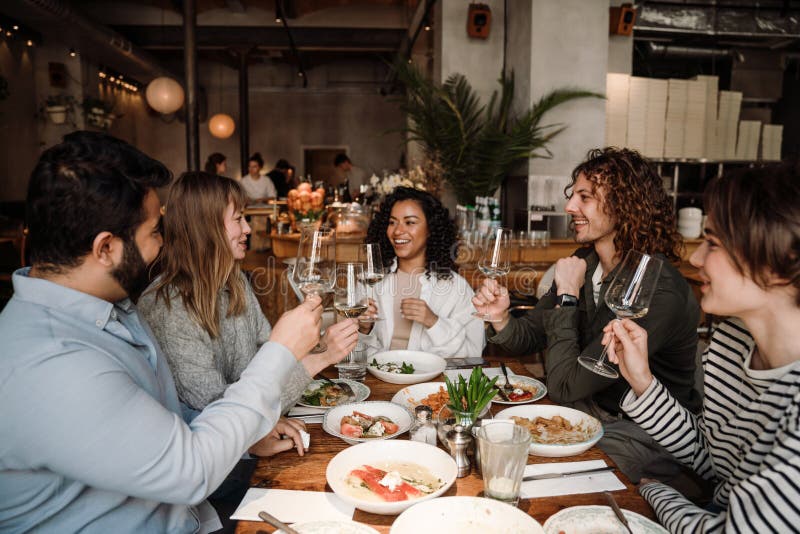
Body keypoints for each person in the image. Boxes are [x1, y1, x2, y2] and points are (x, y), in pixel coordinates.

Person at [0, 131, 323, 532]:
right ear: (106, 249)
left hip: (194, 516)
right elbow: (190, 472)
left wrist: (249, 434)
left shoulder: (106, 311)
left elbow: (162, 419)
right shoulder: (54, 362)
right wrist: (281, 351)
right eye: (155, 232)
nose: (163, 244)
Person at [472, 147, 701, 487]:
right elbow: (532, 334)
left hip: (645, 433)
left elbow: (565, 386)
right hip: (585, 410)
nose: (569, 207)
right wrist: (501, 318)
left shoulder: (656, 289)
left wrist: (567, 297)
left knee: (534, 479)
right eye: (573, 195)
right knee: (487, 446)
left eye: (586, 197)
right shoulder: (586, 260)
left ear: (625, 205)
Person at [605, 161, 800, 532]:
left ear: (782, 263)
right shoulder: (730, 342)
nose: (695, 259)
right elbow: (714, 458)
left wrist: (661, 497)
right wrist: (643, 381)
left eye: (713, 243)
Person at [139, 172, 359, 422]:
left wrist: (320, 344)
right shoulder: (167, 308)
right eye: (239, 219)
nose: (247, 229)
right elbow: (226, 418)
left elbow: (267, 355)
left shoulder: (234, 281)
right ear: (206, 227)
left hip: (258, 433)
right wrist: (320, 360)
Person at [360, 186, 485, 358]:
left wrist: (433, 321)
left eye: (410, 222)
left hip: (431, 384)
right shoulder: (372, 280)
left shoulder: (455, 288)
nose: (397, 231)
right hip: (378, 381)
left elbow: (473, 353)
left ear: (430, 230)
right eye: (392, 222)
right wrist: (363, 329)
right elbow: (347, 354)